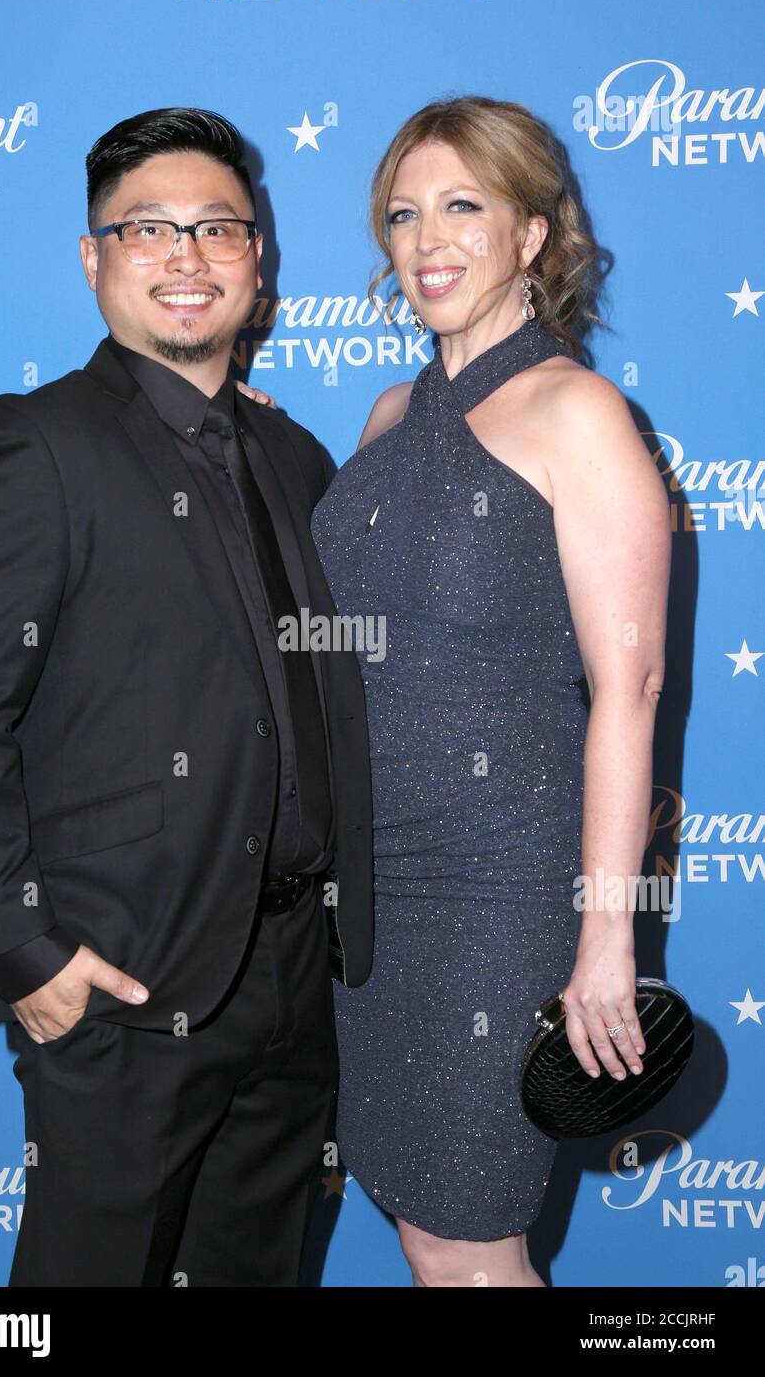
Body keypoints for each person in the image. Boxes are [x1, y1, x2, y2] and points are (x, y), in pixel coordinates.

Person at [0, 106, 374, 1287]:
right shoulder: (32, 444)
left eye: (217, 227)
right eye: (146, 227)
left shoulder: (294, 456)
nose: (185, 254)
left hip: (291, 980)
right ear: (92, 257)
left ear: (257, 262)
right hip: (123, 975)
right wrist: (19, 951)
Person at [310, 96, 671, 1288]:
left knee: (468, 1241)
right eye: (402, 213)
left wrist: (603, 936)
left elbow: (631, 687)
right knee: (421, 1224)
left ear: (530, 234)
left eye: (462, 204)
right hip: (371, 891)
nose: (425, 238)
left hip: (500, 890)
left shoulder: (578, 414)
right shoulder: (384, 417)